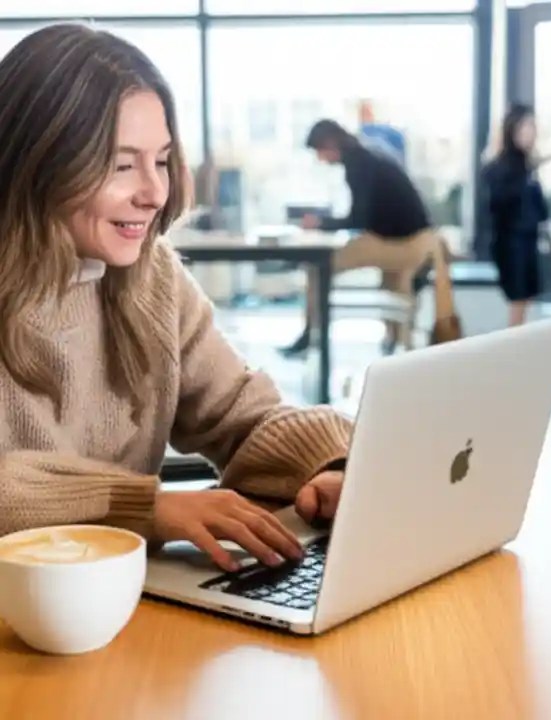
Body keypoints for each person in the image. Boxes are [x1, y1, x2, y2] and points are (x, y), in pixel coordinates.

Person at [0, 24, 353, 574]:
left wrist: (325, 468)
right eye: (120, 164)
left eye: (161, 160)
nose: (154, 192)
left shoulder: (151, 277)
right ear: (38, 162)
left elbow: (240, 413)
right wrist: (145, 507)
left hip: (127, 606)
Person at [281, 119, 436, 356]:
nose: (320, 159)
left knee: (318, 267)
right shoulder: (370, 156)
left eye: (320, 152)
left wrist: (321, 224)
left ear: (330, 144)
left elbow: (358, 219)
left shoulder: (358, 165)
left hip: (401, 243)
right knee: (394, 285)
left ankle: (310, 335)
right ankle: (398, 344)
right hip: (418, 239)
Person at [484, 105, 549, 327]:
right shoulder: (500, 167)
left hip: (528, 242)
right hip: (512, 245)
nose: (531, 132)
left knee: (526, 299)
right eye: (526, 126)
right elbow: (497, 208)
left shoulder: (527, 166)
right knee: (518, 300)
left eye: (533, 126)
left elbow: (541, 210)